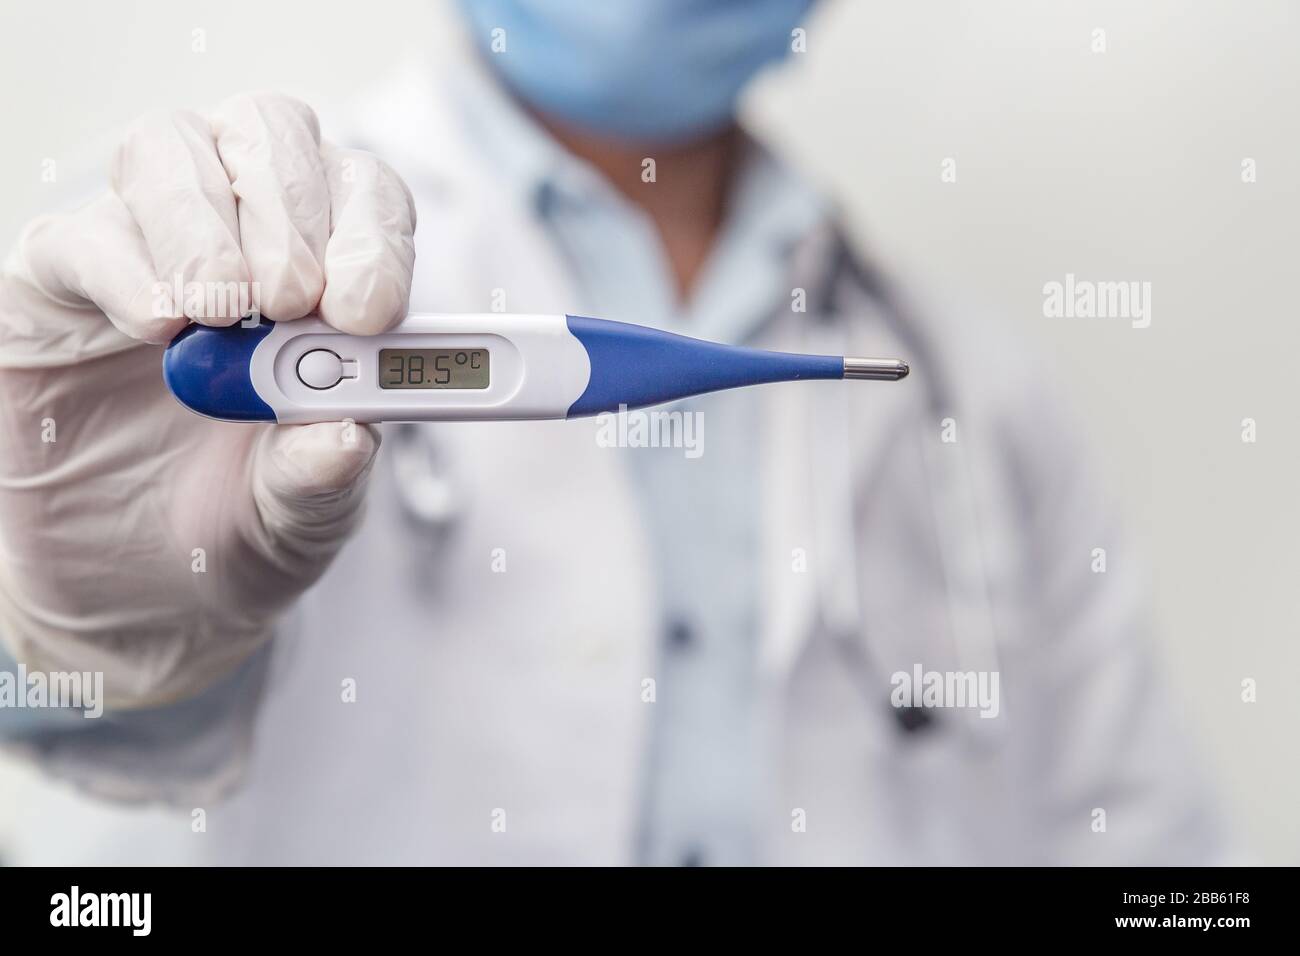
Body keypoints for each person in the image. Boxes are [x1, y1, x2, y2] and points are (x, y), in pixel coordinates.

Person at [0, 0, 1224, 865]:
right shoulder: (212, 249)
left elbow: (1144, 850)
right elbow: (65, 721)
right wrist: (68, 625)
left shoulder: (985, 399)